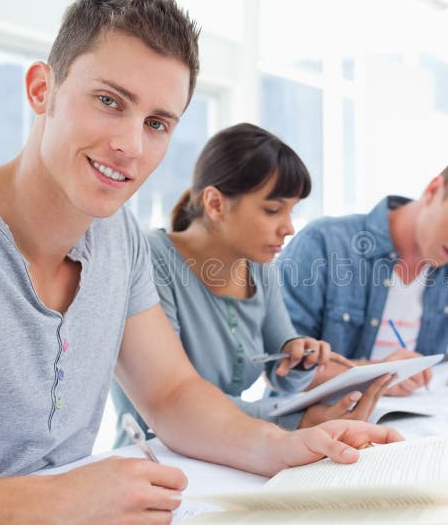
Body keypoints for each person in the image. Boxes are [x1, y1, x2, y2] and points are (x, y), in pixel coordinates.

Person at [0, 0, 401, 521]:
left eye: (157, 123)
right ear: (42, 90)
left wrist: (284, 447)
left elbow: (171, 393)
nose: (131, 146)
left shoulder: (120, 239)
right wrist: (58, 500)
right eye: (109, 101)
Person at [111, 123, 393, 441]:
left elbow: (282, 373)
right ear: (215, 204)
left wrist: (299, 358)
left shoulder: (259, 268)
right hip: (154, 455)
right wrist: (294, 419)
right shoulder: (149, 261)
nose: (288, 228)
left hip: (231, 452)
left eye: (291, 211)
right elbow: (176, 402)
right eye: (273, 210)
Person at [279, 144, 448, 397]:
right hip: (310, 431)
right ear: (434, 190)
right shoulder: (324, 244)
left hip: (410, 432)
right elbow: (282, 366)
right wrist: (375, 376)